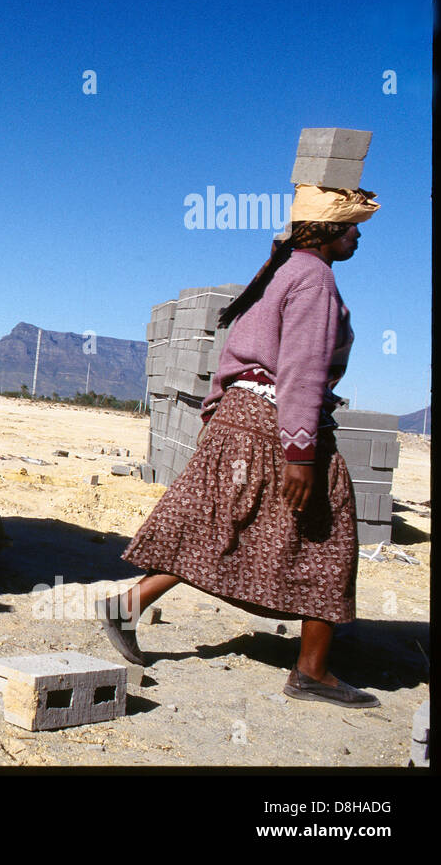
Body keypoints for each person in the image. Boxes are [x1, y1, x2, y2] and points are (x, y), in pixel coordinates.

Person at [99, 184, 381, 708]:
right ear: (329, 230)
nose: (359, 236)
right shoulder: (314, 279)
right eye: (353, 227)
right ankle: (312, 671)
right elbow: (301, 370)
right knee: (329, 530)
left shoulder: (277, 270)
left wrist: (217, 412)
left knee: (219, 522)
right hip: (279, 420)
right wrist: (300, 453)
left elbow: (232, 353)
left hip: (240, 415)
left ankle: (128, 605)